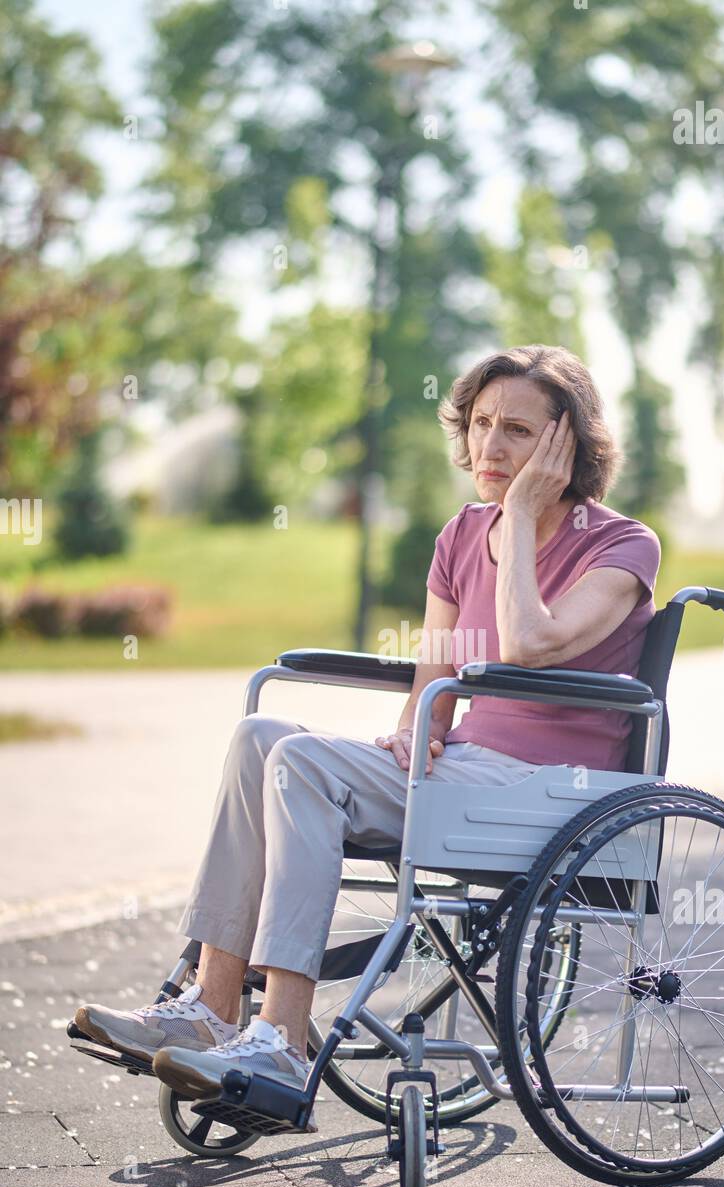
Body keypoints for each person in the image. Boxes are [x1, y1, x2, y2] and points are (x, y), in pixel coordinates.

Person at [74, 343, 661, 1123]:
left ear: (569, 447)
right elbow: (433, 687)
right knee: (260, 739)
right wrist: (413, 735)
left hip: (553, 796)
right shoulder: (461, 536)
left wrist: (521, 515)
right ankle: (211, 1008)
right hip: (466, 778)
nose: (490, 445)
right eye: (481, 423)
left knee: (305, 764)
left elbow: (529, 643)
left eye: (519, 431)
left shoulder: (623, 545)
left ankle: (281, 1041)